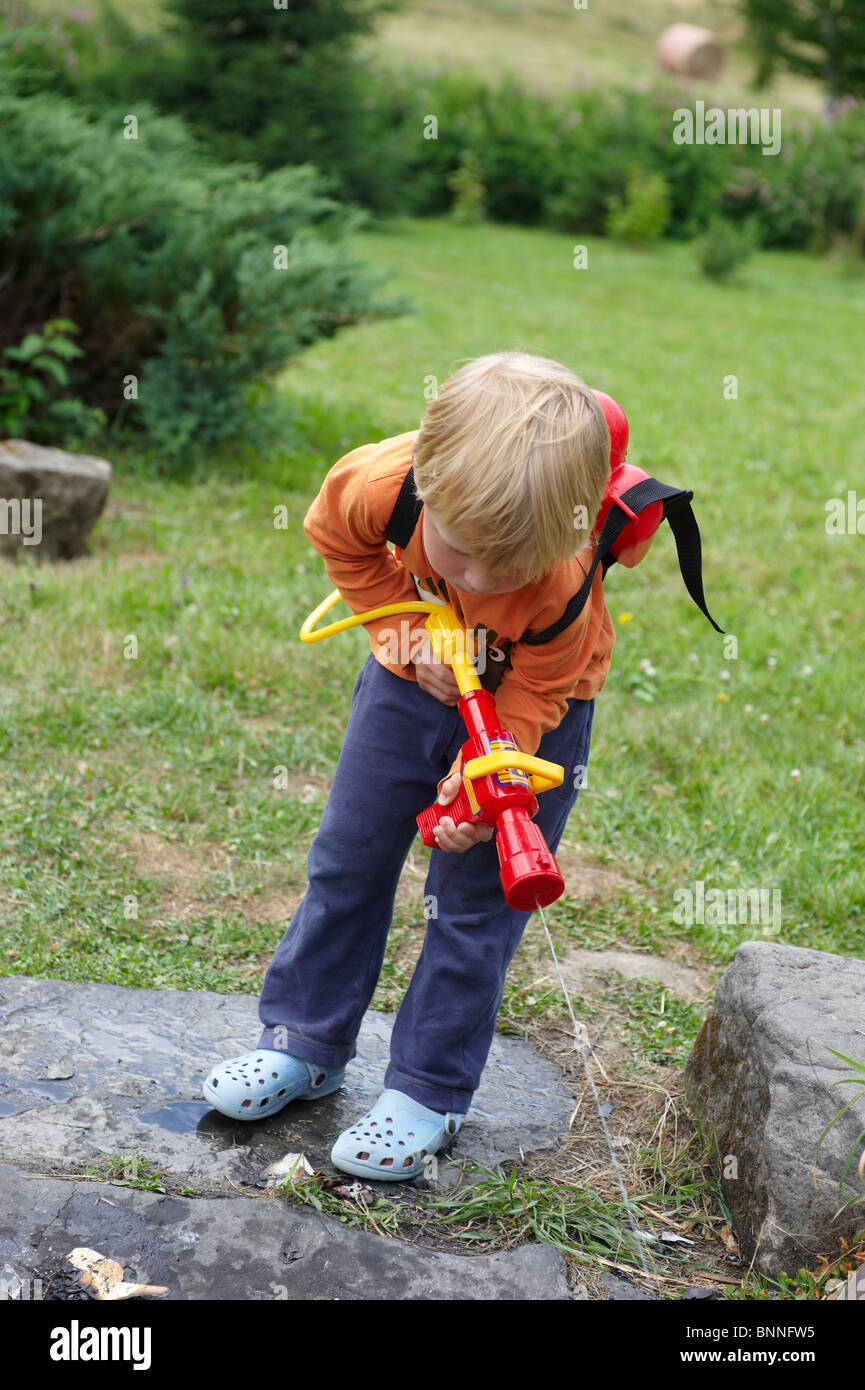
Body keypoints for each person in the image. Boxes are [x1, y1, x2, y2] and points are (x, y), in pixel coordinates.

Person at [203, 350, 616, 1181]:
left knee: (473, 907)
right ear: (426, 484)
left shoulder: (561, 583)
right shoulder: (377, 484)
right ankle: (305, 1041)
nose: (485, 579)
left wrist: (482, 777)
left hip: (528, 714)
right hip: (405, 686)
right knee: (348, 860)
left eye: (513, 568)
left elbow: (538, 691)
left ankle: (429, 1089)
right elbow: (339, 542)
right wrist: (401, 637)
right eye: (462, 554)